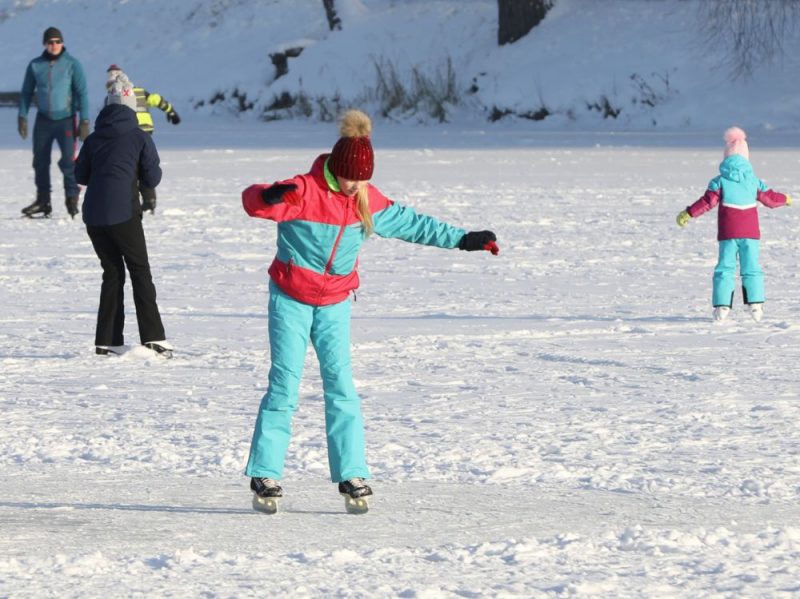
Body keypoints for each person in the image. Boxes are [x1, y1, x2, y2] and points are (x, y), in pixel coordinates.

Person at [241, 109, 499, 513]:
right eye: (350, 178)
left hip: (335, 304)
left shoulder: (366, 199)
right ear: (335, 169)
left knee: (341, 386)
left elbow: (414, 224)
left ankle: (352, 473)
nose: (355, 185)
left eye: (362, 179)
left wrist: (464, 239)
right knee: (285, 385)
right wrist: (268, 197)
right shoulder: (302, 190)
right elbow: (252, 200)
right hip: (290, 299)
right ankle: (266, 472)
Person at [75, 79, 173, 358]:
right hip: (124, 215)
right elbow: (152, 177)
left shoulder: (94, 138)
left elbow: (80, 175)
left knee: (112, 272)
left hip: (94, 217)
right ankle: (154, 338)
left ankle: (108, 341)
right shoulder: (140, 136)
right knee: (140, 271)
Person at [677, 126, 791, 322]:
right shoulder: (754, 181)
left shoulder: (719, 181)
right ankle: (755, 305)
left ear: (726, 158)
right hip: (751, 234)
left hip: (728, 233)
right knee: (752, 267)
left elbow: (707, 202)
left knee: (725, 268)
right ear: (746, 158)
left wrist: (688, 213)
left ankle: (722, 307)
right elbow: (770, 199)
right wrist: (786, 198)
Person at [18, 26, 90, 219]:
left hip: (66, 120)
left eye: (58, 41)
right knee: (40, 161)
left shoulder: (72, 64)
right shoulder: (35, 65)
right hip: (43, 120)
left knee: (68, 161)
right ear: (45, 44)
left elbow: (82, 92)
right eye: (50, 42)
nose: (54, 45)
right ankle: (43, 201)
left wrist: (84, 120)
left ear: (63, 43)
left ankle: (72, 198)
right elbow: (26, 92)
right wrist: (22, 116)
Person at [105, 65, 181, 214]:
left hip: (128, 132)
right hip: (146, 130)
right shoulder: (140, 91)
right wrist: (171, 112)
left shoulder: (112, 96)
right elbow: (157, 99)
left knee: (131, 167)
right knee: (145, 165)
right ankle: (149, 200)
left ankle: (134, 201)